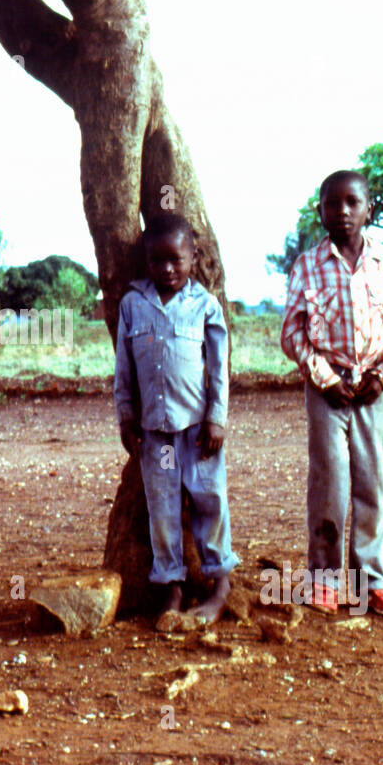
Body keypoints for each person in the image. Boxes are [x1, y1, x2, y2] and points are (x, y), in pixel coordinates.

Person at [280, 169, 383, 617]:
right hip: (328, 391)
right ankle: (323, 580)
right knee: (330, 485)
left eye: (352, 203)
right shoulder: (307, 265)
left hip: (374, 390)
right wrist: (325, 378)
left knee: (372, 484)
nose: (342, 212)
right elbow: (293, 333)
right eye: (332, 204)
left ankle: (371, 581)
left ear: (369, 210)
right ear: (320, 211)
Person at [114, 212, 237, 628]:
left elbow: (219, 368)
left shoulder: (204, 306)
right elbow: (124, 370)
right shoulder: (133, 305)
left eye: (176, 260)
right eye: (157, 261)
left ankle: (220, 583)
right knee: (163, 506)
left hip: (198, 433)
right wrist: (126, 416)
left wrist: (217, 419)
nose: (167, 269)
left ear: (193, 257)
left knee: (209, 500)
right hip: (157, 436)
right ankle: (172, 587)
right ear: (146, 262)